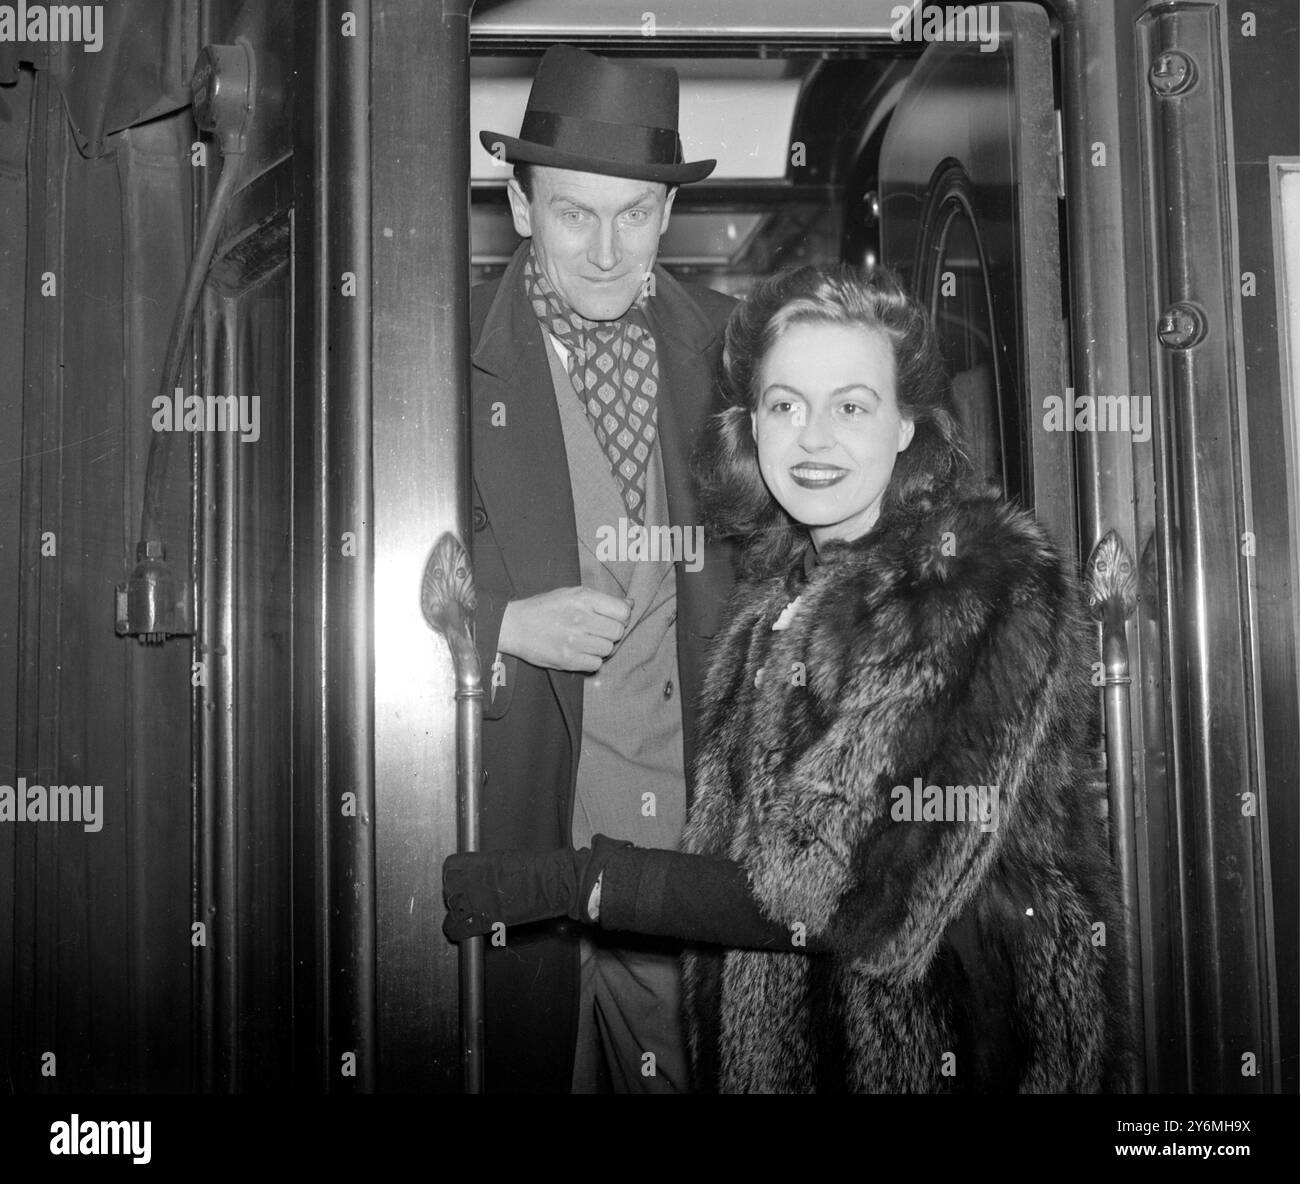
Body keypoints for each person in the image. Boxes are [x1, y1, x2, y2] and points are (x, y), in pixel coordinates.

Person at [446, 264, 1126, 1092]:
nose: (812, 440)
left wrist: (577, 882)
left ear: (907, 425)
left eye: (851, 406)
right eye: (784, 406)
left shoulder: (973, 585)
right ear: (751, 424)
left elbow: (841, 894)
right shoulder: (778, 595)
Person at [467, 44, 736, 1092]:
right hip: (524, 832)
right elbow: (314, 579)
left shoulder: (733, 354)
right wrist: (500, 621)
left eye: (634, 214)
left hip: (685, 864)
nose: (606, 248)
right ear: (522, 204)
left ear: (667, 215)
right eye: (575, 212)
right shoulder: (435, 351)